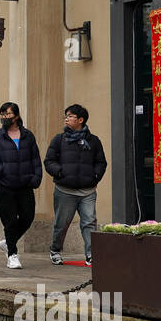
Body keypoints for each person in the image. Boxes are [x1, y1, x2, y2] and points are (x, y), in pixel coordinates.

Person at [44, 104, 108, 267]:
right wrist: (59, 172)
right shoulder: (59, 139)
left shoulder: (93, 141)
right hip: (64, 189)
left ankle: (91, 254)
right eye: (65, 115)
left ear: (80, 120)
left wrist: (95, 176)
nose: (66, 118)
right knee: (62, 223)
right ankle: (55, 250)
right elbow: (49, 161)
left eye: (70, 116)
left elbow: (101, 162)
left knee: (89, 222)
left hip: (87, 190)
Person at [0, 101, 42, 270]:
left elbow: (35, 159)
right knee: (9, 221)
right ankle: (12, 255)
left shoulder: (27, 135)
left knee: (27, 217)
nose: (4, 117)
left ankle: (7, 241)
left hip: (25, 184)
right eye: (2, 114)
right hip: (4, 185)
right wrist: (0, 170)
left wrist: (36, 177)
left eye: (7, 114)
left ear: (16, 116)